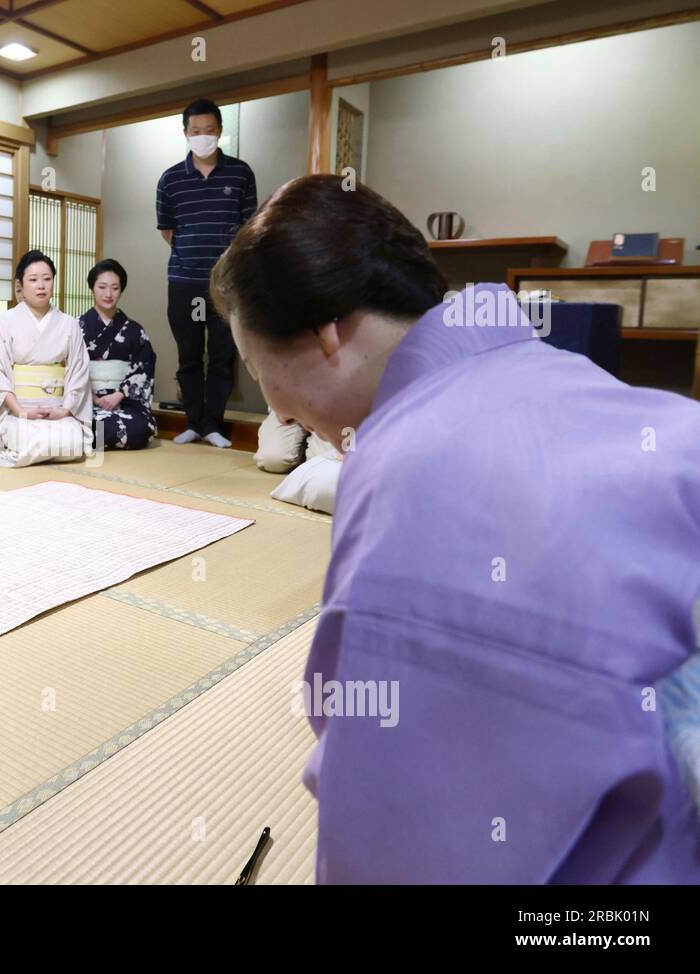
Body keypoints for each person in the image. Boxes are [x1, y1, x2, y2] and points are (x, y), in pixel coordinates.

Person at [211, 173, 700, 884]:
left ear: (326, 333)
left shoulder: (412, 474)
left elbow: (404, 832)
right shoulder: (555, 372)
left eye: (259, 371)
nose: (276, 411)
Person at [156, 98, 257, 449]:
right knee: (188, 355)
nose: (203, 137)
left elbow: (248, 228)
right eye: (195, 131)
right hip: (183, 281)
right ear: (185, 134)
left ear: (220, 131)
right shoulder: (170, 180)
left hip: (226, 285)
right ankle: (193, 422)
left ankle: (214, 424)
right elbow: (168, 232)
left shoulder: (241, 173)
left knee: (222, 356)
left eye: (209, 130)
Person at [0, 250, 91, 468]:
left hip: (57, 409)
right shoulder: (4, 322)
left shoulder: (69, 325)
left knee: (73, 442)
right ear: (20, 285)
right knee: (32, 441)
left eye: (47, 279)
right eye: (33, 280)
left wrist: (65, 410)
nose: (41, 285)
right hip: (18, 410)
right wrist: (20, 410)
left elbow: (78, 372)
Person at [78, 258, 156, 451]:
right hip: (87, 401)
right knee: (79, 424)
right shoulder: (76, 327)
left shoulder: (135, 330)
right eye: (102, 287)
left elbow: (145, 366)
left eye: (115, 288)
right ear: (92, 288)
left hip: (124, 402)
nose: (108, 294)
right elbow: (70, 367)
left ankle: (92, 441)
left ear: (121, 290)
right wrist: (94, 398)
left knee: (140, 428)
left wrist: (119, 394)